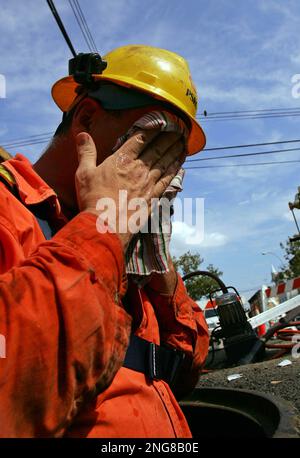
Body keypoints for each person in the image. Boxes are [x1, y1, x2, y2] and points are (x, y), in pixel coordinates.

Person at [0, 45, 209, 438]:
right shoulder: (10, 214)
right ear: (88, 118)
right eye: (152, 143)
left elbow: (185, 367)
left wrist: (161, 273)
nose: (162, 174)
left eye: (174, 158)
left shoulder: (132, 253)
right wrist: (101, 229)